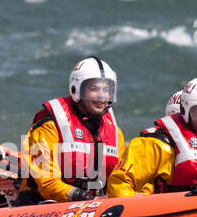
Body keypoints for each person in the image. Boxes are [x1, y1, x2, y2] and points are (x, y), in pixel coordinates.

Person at [16, 57, 126, 203]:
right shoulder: (50, 124)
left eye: (106, 90)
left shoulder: (114, 132)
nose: (102, 96)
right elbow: (48, 184)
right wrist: (89, 199)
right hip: (46, 205)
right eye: (94, 89)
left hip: (97, 206)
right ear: (76, 89)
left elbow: (121, 179)